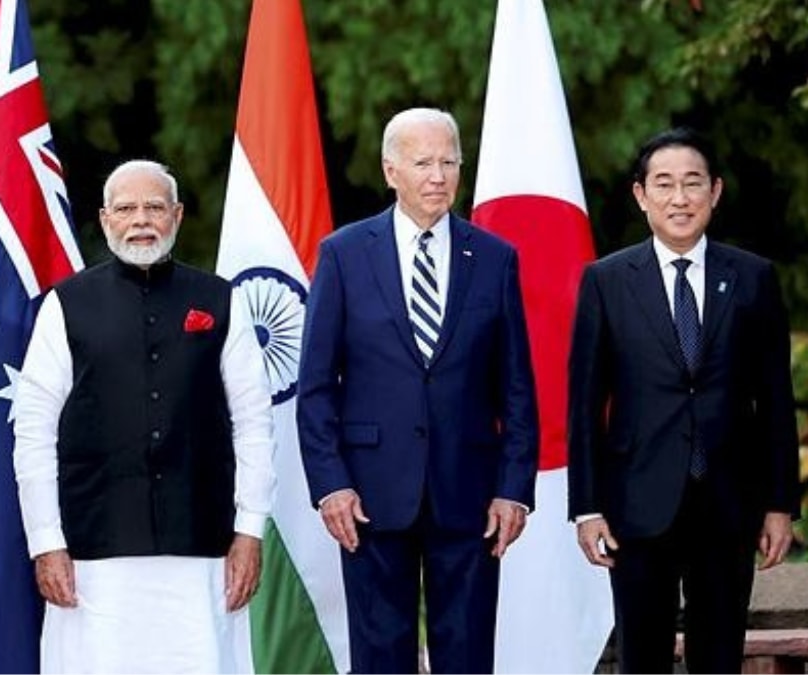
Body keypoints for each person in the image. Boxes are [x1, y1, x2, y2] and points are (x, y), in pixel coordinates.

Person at [297, 107, 540, 673]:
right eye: (423, 162)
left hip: (472, 494)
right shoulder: (344, 253)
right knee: (380, 656)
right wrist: (331, 484)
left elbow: (517, 388)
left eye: (449, 161)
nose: (438, 176)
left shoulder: (495, 258)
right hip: (369, 497)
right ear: (390, 171)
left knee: (469, 651)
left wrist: (514, 488)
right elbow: (316, 387)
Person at [13, 159, 276, 674]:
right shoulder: (65, 305)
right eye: (127, 208)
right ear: (105, 218)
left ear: (176, 215)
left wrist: (249, 532)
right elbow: (34, 430)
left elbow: (253, 422)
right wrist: (47, 541)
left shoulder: (221, 301)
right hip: (94, 551)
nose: (141, 220)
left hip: (203, 546)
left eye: (154, 207)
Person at [567, 127, 800, 673]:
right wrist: (587, 505)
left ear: (714, 192)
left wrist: (780, 502)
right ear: (640, 195)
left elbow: (775, 402)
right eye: (664, 184)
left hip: (727, 502)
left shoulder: (751, 278)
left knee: (718, 657)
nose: (680, 198)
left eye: (693, 183)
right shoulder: (606, 281)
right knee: (641, 657)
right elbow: (584, 402)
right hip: (636, 505)